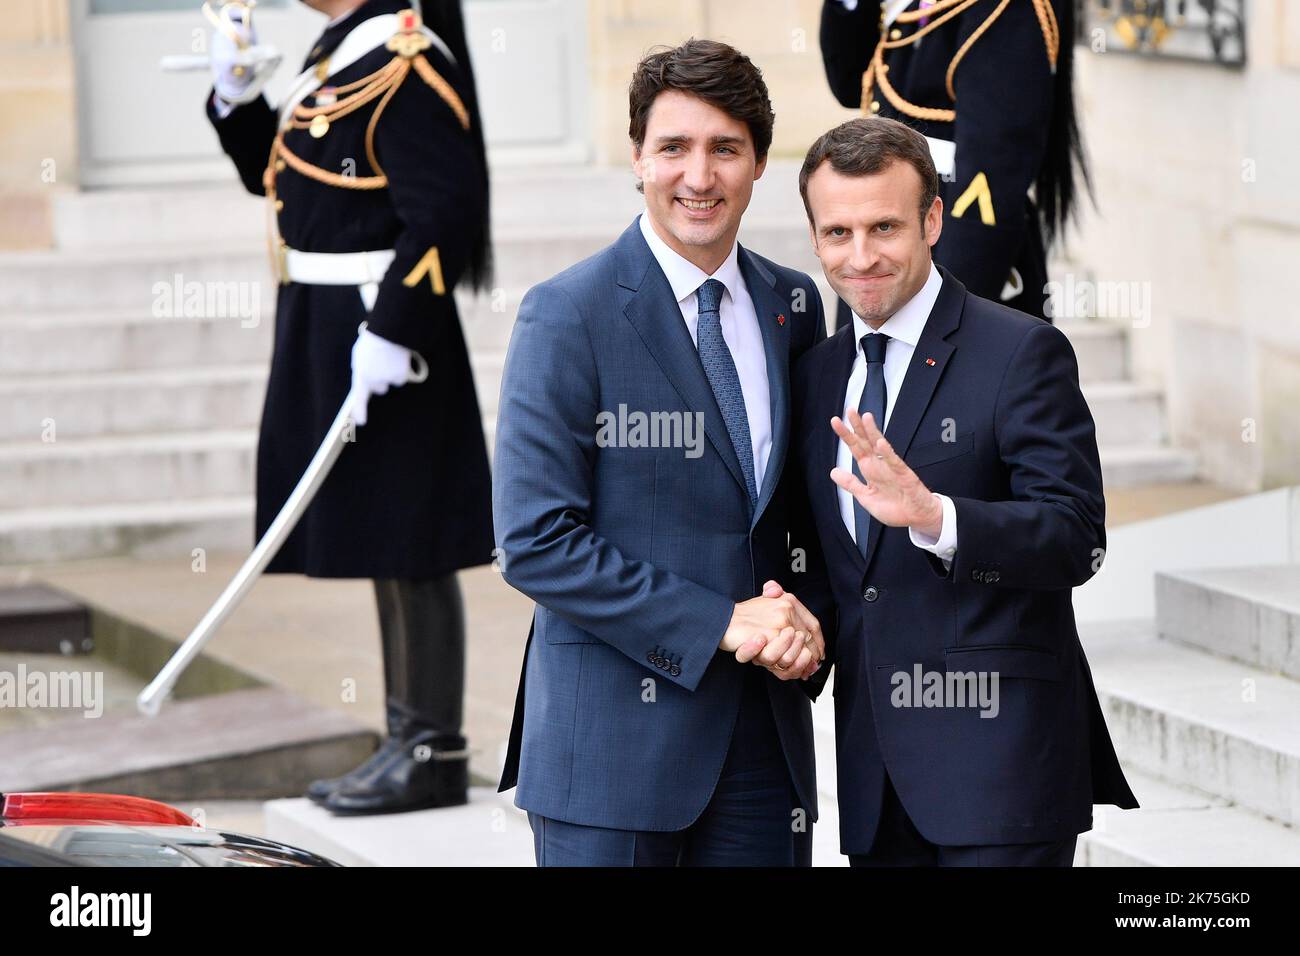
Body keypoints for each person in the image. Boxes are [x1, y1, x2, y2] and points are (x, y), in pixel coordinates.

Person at [493, 39, 832, 867]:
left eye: (726, 149)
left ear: (758, 165)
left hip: (763, 750)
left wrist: (807, 625)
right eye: (674, 147)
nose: (699, 175)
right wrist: (719, 622)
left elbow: (800, 513)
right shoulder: (565, 315)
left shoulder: (796, 305)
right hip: (611, 756)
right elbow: (535, 542)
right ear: (638, 158)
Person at [783, 116, 1136, 866]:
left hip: (1003, 776)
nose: (862, 256)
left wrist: (937, 517)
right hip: (876, 785)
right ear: (814, 238)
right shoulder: (815, 375)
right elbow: (844, 571)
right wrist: (796, 625)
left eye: (884, 227)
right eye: (837, 232)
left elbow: (1076, 535)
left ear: (933, 219)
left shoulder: (1021, 351)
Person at [205, 0, 494, 814]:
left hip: (386, 329)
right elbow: (290, 178)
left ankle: (434, 748)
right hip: (330, 326)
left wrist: (393, 330)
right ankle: (406, 736)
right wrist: (237, 98)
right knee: (383, 537)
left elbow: (445, 215)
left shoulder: (409, 60)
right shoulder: (340, 56)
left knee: (414, 542)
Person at [819, 0, 1085, 327]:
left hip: (952, 242)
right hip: (889, 231)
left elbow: (992, 165)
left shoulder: (1008, 8)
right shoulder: (914, 7)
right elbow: (849, 83)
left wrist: (950, 315)